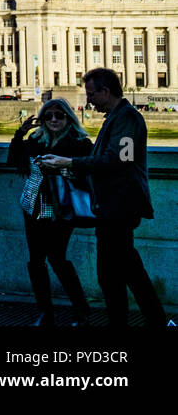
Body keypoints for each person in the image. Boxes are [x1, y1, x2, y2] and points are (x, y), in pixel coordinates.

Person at [39, 67, 166, 327]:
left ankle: (154, 322)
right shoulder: (116, 117)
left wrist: (69, 162)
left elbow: (118, 159)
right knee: (121, 272)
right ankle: (151, 321)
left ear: (106, 91)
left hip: (119, 207)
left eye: (91, 94)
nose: (88, 101)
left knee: (116, 273)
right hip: (111, 207)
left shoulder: (128, 118)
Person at [7, 98, 92, 325]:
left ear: (68, 117)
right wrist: (20, 133)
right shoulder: (35, 139)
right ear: (42, 120)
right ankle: (45, 312)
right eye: (48, 116)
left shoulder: (80, 142)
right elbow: (14, 160)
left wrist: (64, 168)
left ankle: (81, 308)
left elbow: (88, 171)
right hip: (33, 205)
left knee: (57, 258)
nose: (54, 120)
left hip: (62, 208)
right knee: (36, 261)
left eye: (59, 115)